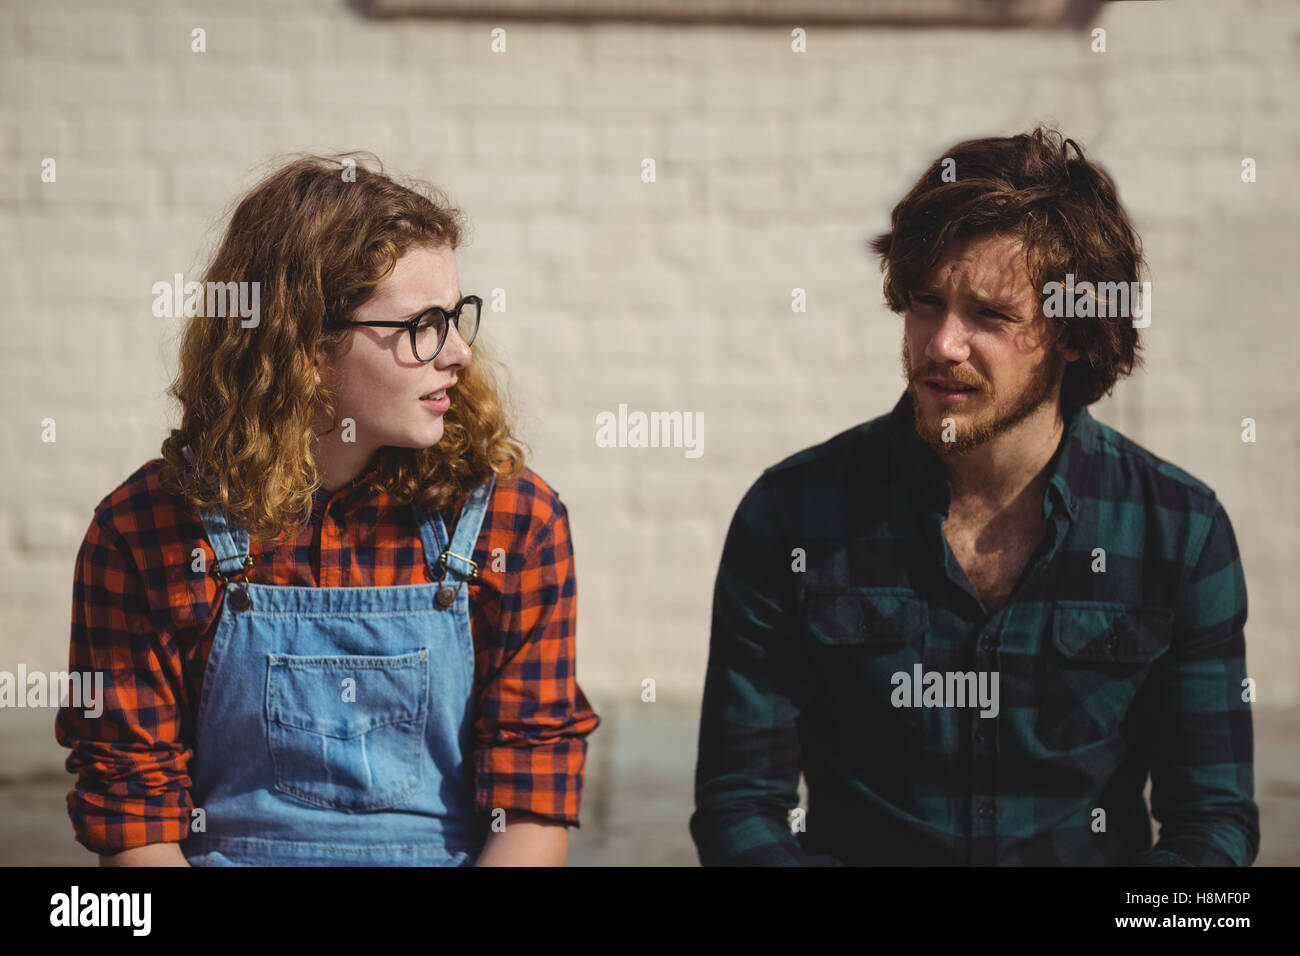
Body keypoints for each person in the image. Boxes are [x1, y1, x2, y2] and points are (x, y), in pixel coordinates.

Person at [691, 127, 1258, 866]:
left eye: (990, 316)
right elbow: (740, 808)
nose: (942, 344)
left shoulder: (1179, 532)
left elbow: (1213, 827)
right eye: (926, 303)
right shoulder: (792, 516)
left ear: (1075, 334)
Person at [55, 153, 600, 866]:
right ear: (308, 347)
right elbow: (133, 811)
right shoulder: (146, 531)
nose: (460, 353)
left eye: (458, 318)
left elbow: (531, 794)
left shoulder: (512, 522)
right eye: (424, 326)